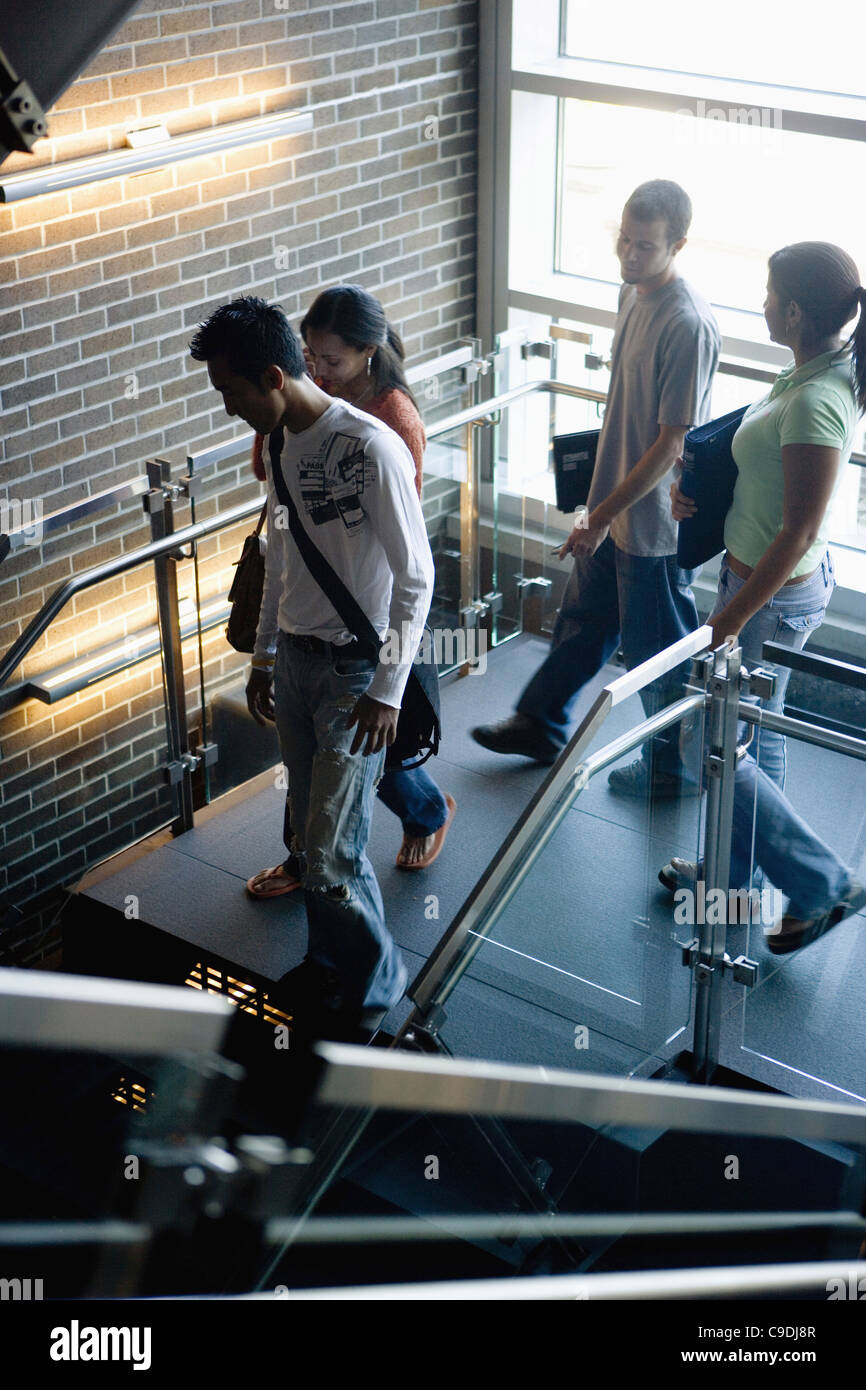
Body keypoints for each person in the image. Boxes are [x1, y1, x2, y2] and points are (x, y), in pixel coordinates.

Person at [190, 296, 434, 1038]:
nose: (230, 410)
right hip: (295, 662)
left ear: (271, 375)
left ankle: (375, 988)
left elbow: (416, 578)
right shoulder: (284, 446)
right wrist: (265, 654)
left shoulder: (370, 445)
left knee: (330, 852)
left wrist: (389, 690)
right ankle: (331, 968)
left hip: (356, 673)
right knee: (309, 831)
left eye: (232, 394)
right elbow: (281, 557)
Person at [471, 180, 721, 797]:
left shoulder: (687, 324)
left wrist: (603, 514)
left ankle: (676, 769)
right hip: (611, 511)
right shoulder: (630, 295)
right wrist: (599, 506)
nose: (629, 255)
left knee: (655, 654)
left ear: (678, 244)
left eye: (645, 246)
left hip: (651, 528)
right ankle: (538, 723)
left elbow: (669, 443)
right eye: (624, 240)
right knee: (583, 623)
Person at [662, 243, 866, 952]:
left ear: (796, 311)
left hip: (769, 600)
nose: (761, 300)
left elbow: (800, 526)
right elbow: (766, 478)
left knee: (705, 738)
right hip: (757, 586)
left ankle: (821, 883)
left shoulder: (817, 399)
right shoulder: (812, 371)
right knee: (753, 735)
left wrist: (729, 617)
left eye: (769, 292)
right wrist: (703, 495)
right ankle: (733, 887)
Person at [244, 286, 455, 900]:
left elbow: (402, 553)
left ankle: (422, 814)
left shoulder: (388, 425)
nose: (317, 369)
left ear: (368, 352)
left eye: (330, 360)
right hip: (305, 624)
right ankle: (305, 859)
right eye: (310, 355)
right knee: (317, 771)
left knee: (365, 764)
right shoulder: (305, 407)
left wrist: (387, 677)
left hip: (363, 628)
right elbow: (270, 475)